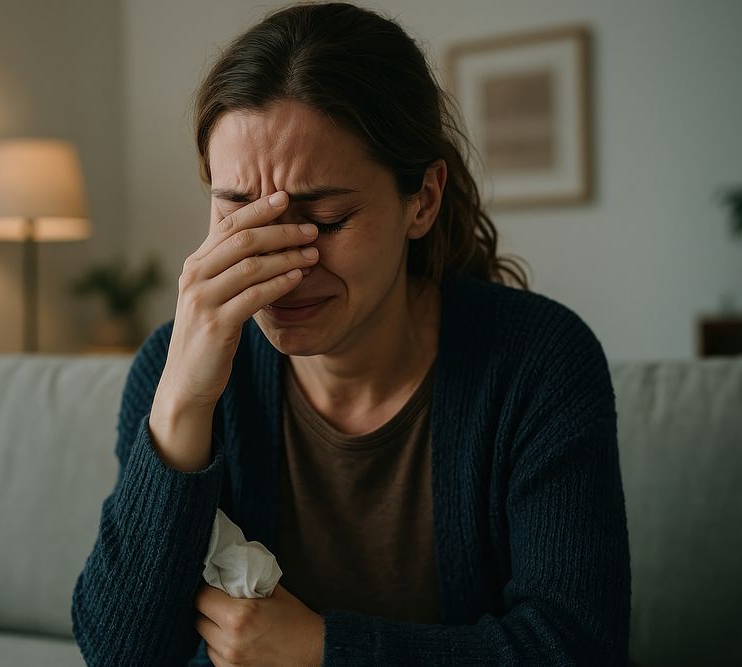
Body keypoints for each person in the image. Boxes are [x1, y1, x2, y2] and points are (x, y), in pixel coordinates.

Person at [71, 3, 630, 665]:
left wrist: (322, 649)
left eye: (327, 220)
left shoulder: (539, 363)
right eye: (238, 211)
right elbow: (119, 654)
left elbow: (576, 648)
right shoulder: (173, 366)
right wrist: (181, 407)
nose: (280, 263)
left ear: (421, 199)